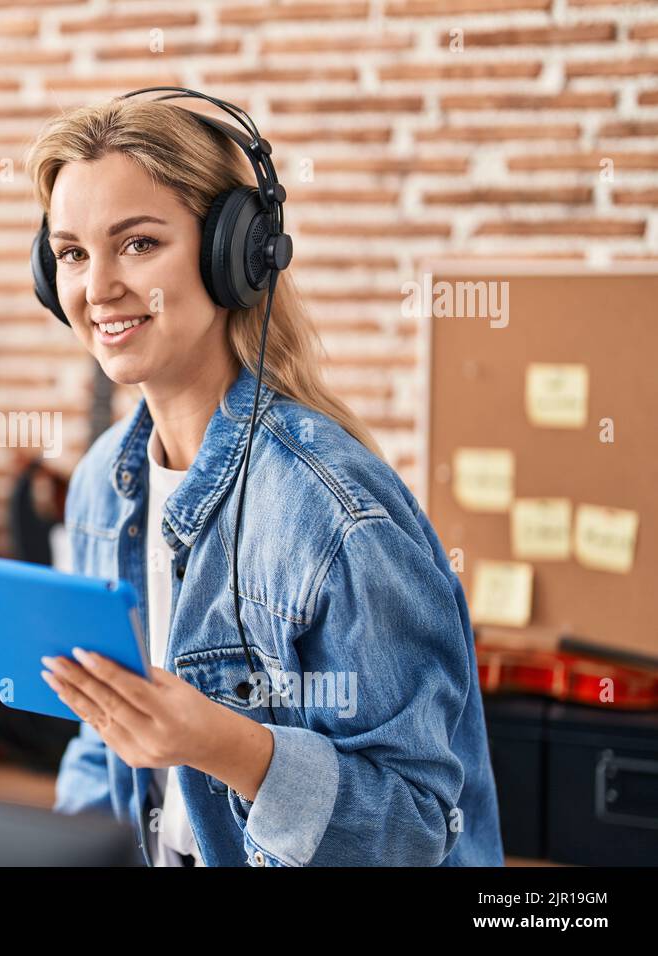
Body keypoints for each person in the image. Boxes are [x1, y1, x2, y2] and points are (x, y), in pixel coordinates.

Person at [24, 94, 503, 867]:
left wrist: (227, 747)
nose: (98, 286)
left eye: (138, 243)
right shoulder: (99, 488)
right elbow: (99, 741)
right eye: (73, 253)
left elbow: (417, 825)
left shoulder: (335, 511)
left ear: (234, 253)